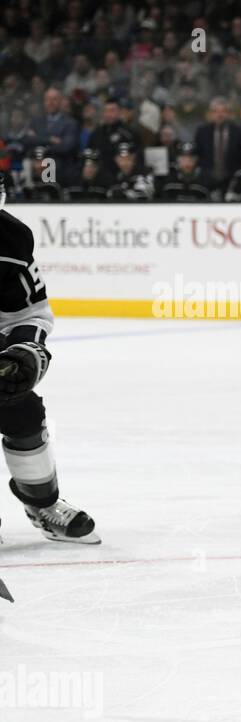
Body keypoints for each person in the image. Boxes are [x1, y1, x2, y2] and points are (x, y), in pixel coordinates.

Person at [0, 187, 99, 544]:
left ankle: (42, 504)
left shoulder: (11, 240)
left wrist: (25, 351)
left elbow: (28, 313)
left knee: (22, 410)